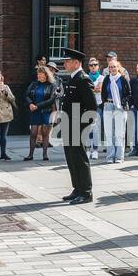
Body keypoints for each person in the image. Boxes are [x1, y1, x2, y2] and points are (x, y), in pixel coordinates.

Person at [59, 48, 96, 204]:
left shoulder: (83, 78)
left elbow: (92, 107)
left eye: (67, 61)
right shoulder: (73, 78)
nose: (65, 64)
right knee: (71, 158)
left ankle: (86, 192)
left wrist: (82, 126)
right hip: (69, 123)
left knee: (80, 158)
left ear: (76, 62)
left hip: (77, 125)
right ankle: (77, 188)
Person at [100, 55, 131, 164]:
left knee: (119, 133)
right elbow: (103, 93)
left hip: (119, 107)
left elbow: (128, 94)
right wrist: (104, 103)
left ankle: (119, 157)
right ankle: (110, 156)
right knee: (109, 133)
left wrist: (122, 103)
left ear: (118, 67)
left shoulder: (122, 79)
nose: (112, 69)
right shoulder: (106, 79)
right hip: (108, 106)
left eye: (114, 67)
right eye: (110, 67)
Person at [24, 66, 56, 161]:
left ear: (46, 75)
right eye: (38, 74)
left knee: (45, 134)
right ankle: (30, 155)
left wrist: (37, 105)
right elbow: (26, 95)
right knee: (33, 133)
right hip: (35, 112)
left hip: (46, 111)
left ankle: (45, 155)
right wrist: (30, 104)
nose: (39, 76)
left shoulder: (51, 85)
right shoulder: (34, 84)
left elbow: (51, 99)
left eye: (41, 74)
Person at [86, 56, 103, 158]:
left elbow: (99, 89)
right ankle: (88, 149)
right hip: (88, 104)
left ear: (98, 66)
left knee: (96, 128)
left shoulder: (101, 78)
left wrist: (90, 89)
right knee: (88, 128)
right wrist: (94, 89)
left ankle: (95, 150)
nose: (93, 67)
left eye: (95, 65)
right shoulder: (85, 77)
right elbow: (90, 90)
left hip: (98, 105)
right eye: (91, 65)